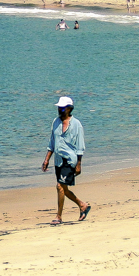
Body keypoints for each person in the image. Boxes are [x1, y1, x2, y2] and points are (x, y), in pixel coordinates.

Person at [41, 96, 90, 225]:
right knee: (63, 188)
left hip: (70, 160)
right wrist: (46, 160)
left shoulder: (76, 124)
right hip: (58, 160)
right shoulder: (55, 122)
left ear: (69, 109)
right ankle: (82, 205)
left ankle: (58, 216)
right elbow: (52, 143)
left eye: (62, 108)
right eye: (59, 107)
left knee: (60, 186)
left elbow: (80, 146)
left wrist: (79, 164)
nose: (60, 110)